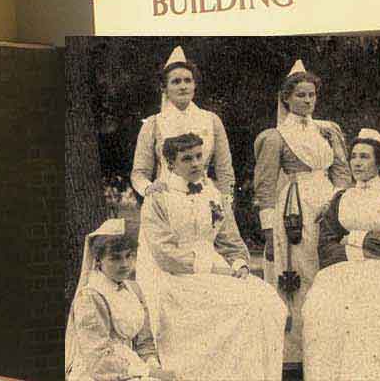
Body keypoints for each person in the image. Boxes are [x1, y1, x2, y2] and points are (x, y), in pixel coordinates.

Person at [135, 132, 286, 381]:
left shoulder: (212, 193)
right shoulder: (158, 198)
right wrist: (215, 270)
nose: (196, 163)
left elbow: (229, 237)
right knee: (243, 306)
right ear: (170, 163)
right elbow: (164, 253)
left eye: (199, 156)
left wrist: (240, 264)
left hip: (217, 267)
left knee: (267, 301)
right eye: (187, 159)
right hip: (177, 275)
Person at [252, 60, 351, 366]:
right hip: (295, 208)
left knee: (330, 269)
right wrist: (268, 230)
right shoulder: (276, 136)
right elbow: (265, 185)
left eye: (311, 95)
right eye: (300, 95)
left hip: (329, 203)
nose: (307, 101)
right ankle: (296, 355)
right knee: (299, 272)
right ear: (286, 99)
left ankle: (329, 346)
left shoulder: (328, 130)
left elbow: (341, 170)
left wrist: (340, 203)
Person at [302, 128, 380, 381]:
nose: (357, 162)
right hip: (341, 271)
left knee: (370, 318)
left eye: (364, 156)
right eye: (353, 156)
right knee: (321, 312)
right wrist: (364, 249)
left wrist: (353, 239)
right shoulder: (341, 197)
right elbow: (326, 245)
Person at [65, 219, 174, 380]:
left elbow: (144, 342)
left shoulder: (133, 289)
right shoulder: (90, 296)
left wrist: (153, 366)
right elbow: (97, 359)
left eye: (129, 256)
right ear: (98, 261)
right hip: (101, 372)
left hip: (134, 366)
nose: (124, 264)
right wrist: (147, 372)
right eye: (115, 258)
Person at [130, 46, 235, 199]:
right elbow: (139, 173)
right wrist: (149, 189)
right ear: (164, 88)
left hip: (204, 198)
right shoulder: (153, 124)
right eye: (176, 82)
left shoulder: (211, 120)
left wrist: (226, 202)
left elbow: (225, 170)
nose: (183, 86)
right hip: (166, 199)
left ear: (194, 85)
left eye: (188, 80)